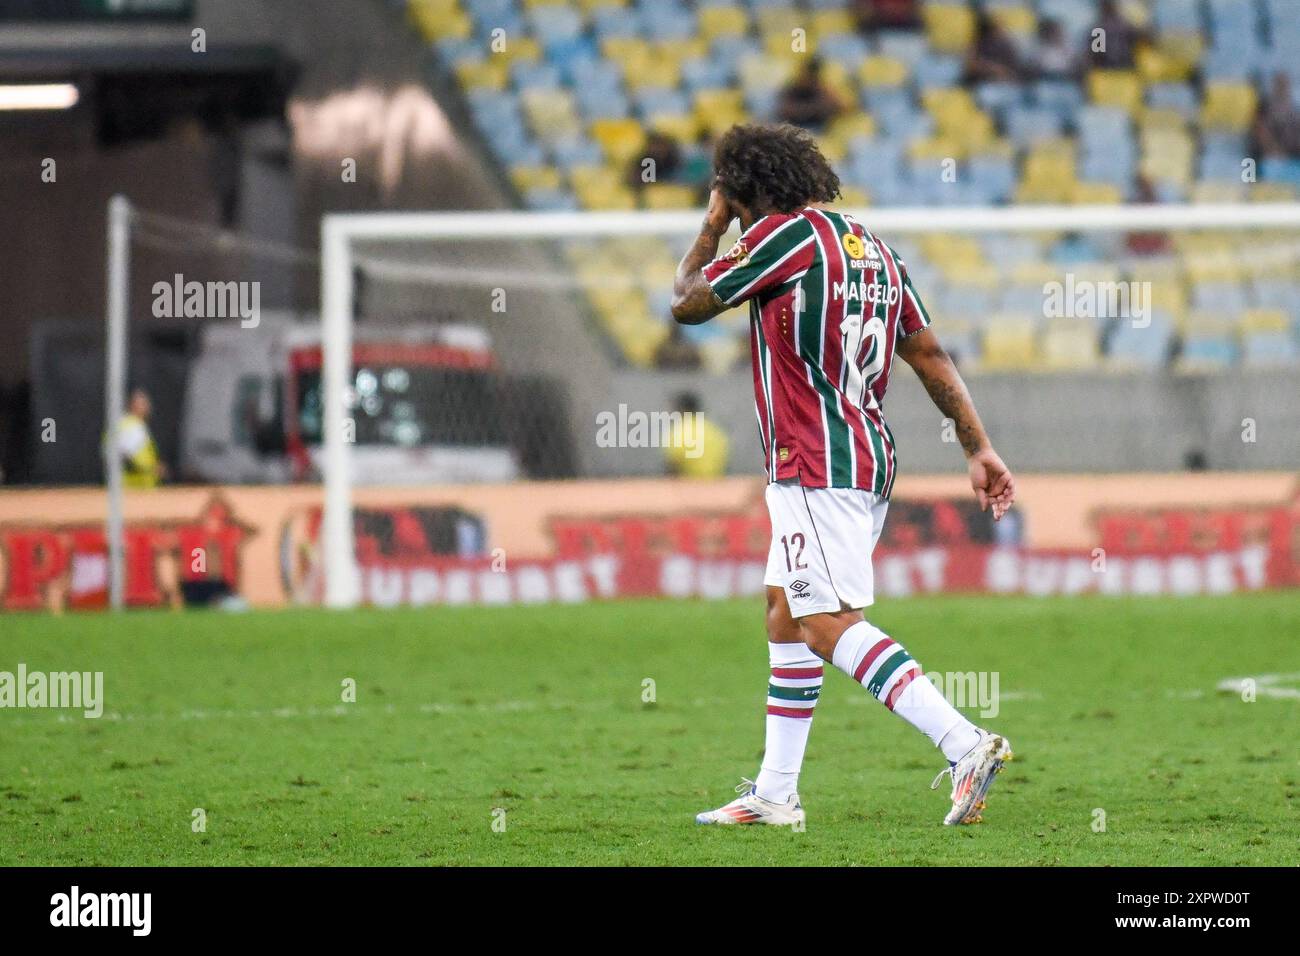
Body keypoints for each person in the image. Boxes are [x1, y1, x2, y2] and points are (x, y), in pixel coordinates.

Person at [671, 123, 1016, 827]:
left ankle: (964, 742)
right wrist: (977, 449)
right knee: (783, 610)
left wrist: (713, 220)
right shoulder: (875, 250)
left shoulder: (780, 238)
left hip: (813, 460)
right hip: (866, 457)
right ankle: (775, 792)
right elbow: (929, 354)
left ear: (744, 190)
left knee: (824, 623)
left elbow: (686, 302)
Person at [663, 391, 730, 479]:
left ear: (681, 409)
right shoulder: (714, 431)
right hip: (716, 486)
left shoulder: (679, 431)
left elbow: (672, 466)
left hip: (687, 487)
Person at [108, 388, 165, 489]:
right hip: (135, 487)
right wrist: (151, 469)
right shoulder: (133, 426)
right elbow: (125, 456)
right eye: (143, 403)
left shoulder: (126, 424)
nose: (147, 406)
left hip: (133, 486)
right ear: (132, 405)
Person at [776, 57, 847, 132]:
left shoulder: (823, 89)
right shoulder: (792, 88)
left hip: (820, 131)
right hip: (794, 131)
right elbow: (784, 110)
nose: (809, 78)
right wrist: (813, 108)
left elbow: (843, 108)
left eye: (813, 75)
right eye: (807, 73)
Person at [964, 11, 1024, 84]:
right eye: (997, 26)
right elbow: (971, 65)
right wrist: (993, 68)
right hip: (982, 82)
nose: (1001, 29)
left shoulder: (1006, 44)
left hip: (1005, 82)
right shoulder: (977, 43)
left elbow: (1013, 68)